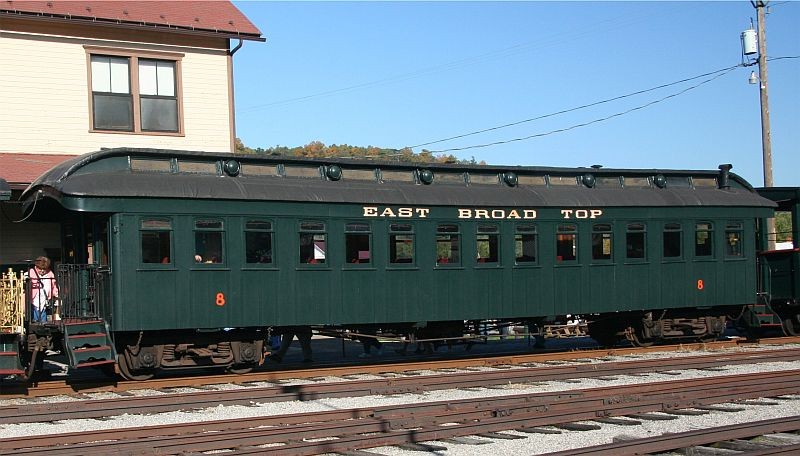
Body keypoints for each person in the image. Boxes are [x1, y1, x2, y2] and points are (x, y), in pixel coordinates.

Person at [28, 256, 58, 323]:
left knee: (43, 314)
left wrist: (56, 294)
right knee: (35, 314)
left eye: (44, 269)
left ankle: (43, 327)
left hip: (45, 298)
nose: (42, 271)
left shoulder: (50, 273)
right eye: (40, 269)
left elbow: (53, 284)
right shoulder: (31, 272)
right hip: (34, 298)